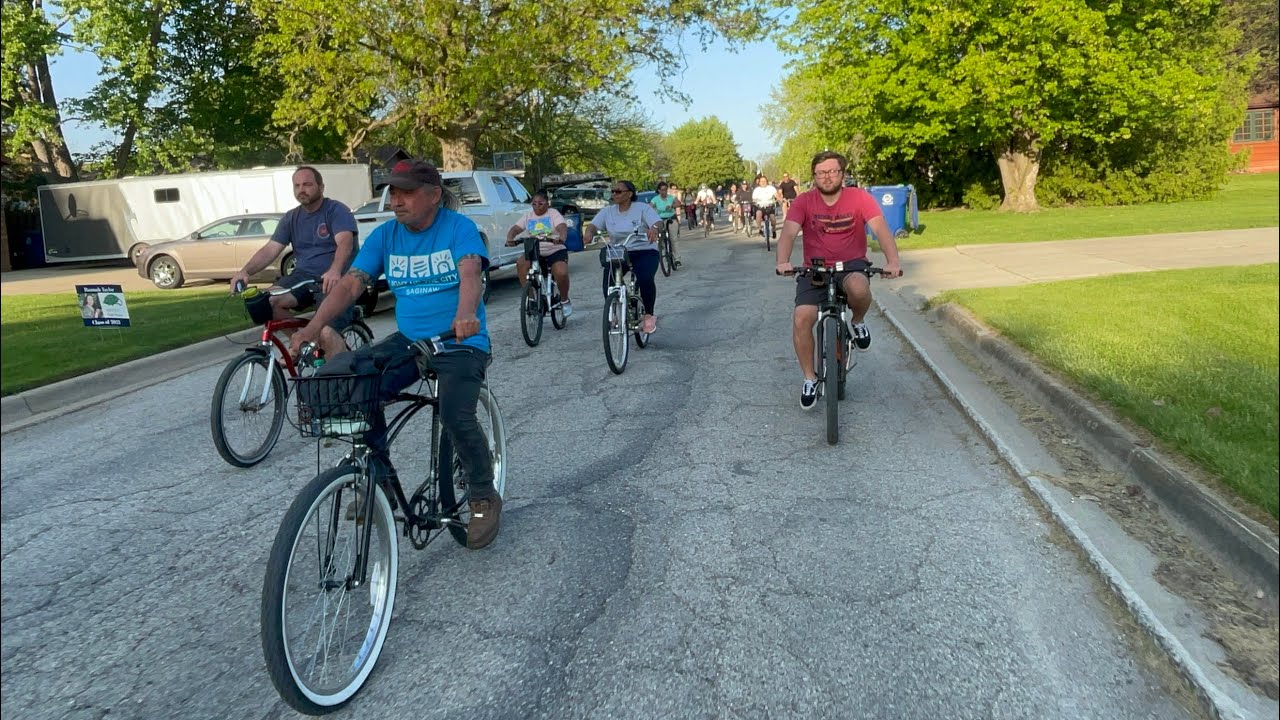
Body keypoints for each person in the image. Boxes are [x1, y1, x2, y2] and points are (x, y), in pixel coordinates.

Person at [289, 160, 503, 549]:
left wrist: (466, 314)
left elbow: (470, 274)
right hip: (410, 339)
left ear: (434, 195)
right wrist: (310, 326)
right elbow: (350, 287)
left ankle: (483, 493)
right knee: (357, 389)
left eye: (406, 192)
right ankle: (380, 485)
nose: (396, 201)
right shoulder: (386, 236)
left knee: (456, 415)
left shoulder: (459, 228)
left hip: (459, 341)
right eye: (393, 192)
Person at [775, 151, 903, 410]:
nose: (827, 176)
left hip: (852, 264)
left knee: (858, 287)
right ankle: (810, 378)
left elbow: (880, 229)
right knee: (801, 317)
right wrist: (782, 261)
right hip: (816, 268)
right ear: (814, 176)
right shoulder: (804, 201)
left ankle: (857, 321)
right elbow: (788, 233)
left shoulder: (859, 198)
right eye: (821, 172)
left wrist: (893, 262)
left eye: (833, 171)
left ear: (843, 174)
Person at [231, 166, 357, 359]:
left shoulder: (336, 210)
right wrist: (245, 271)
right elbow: (270, 249)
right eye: (297, 185)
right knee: (265, 302)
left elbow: (345, 242)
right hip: (303, 278)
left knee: (326, 333)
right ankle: (301, 343)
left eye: (307, 184)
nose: (301, 189)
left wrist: (335, 270)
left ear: (321, 187)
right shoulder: (291, 217)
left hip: (335, 280)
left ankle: (338, 381)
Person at [582, 180, 664, 334]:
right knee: (609, 279)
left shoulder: (642, 208)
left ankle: (648, 315)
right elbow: (593, 225)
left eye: (618, 191)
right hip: (619, 251)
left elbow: (658, 222)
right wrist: (588, 233)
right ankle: (616, 307)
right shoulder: (608, 211)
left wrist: (653, 228)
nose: (614, 194)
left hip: (644, 249)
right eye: (612, 192)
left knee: (645, 277)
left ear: (629, 194)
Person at [505, 190, 573, 318]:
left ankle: (564, 300)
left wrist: (562, 236)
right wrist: (510, 237)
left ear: (547, 204)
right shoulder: (528, 216)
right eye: (534, 204)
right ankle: (531, 298)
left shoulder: (553, 214)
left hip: (555, 249)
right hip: (534, 251)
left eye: (540, 203)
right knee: (521, 263)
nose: (537, 206)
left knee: (561, 273)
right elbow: (516, 228)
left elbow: (561, 226)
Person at [649, 182, 682, 266]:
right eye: (662, 190)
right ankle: (662, 245)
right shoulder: (655, 199)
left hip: (671, 219)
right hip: (660, 220)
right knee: (659, 235)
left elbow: (678, 203)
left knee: (673, 239)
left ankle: (677, 258)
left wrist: (672, 206)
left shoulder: (671, 197)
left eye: (666, 190)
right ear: (659, 190)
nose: (664, 192)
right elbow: (650, 205)